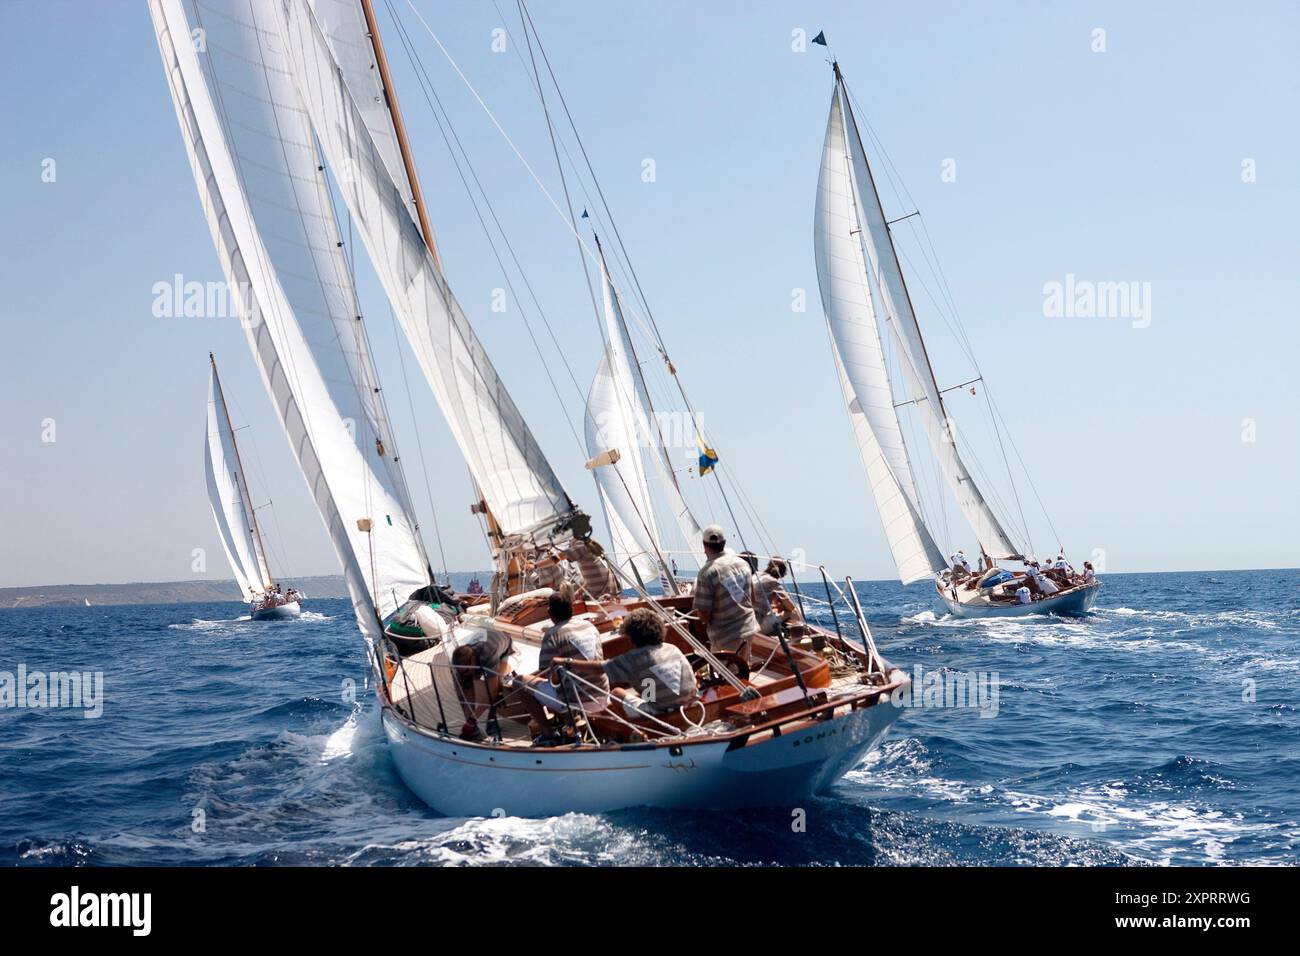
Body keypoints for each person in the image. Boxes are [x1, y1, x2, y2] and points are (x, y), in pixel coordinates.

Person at [554, 608, 696, 721]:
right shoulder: (671, 648)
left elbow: (598, 668)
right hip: (692, 705)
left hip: (661, 712)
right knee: (647, 683)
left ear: (632, 637)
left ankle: (634, 730)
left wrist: (567, 662)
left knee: (616, 693)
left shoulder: (633, 658)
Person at [517, 591, 609, 743]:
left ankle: (548, 733)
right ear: (572, 609)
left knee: (520, 682)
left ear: (550, 613)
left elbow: (549, 677)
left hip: (577, 702)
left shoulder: (553, 634)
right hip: (603, 694)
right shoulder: (590, 626)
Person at [692, 525, 760, 660]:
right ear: (724, 543)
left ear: (704, 546)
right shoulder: (743, 564)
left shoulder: (706, 573)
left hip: (725, 637)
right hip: (749, 629)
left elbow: (704, 616)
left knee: (728, 676)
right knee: (744, 667)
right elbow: (753, 599)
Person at [450, 627, 514, 740]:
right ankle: (472, 728)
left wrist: (472, 720)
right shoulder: (464, 660)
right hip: (485, 641)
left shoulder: (487, 657)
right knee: (464, 683)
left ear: (473, 660)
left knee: (497, 689)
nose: (464, 674)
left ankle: (492, 719)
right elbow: (465, 694)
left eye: (465, 671)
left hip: (504, 645)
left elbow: (490, 694)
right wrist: (469, 721)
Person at [756, 557, 802, 635]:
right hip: (758, 627)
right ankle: (797, 638)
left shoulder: (756, 576)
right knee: (793, 612)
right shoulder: (772, 581)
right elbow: (791, 607)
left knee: (778, 611)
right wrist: (784, 607)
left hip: (748, 621)